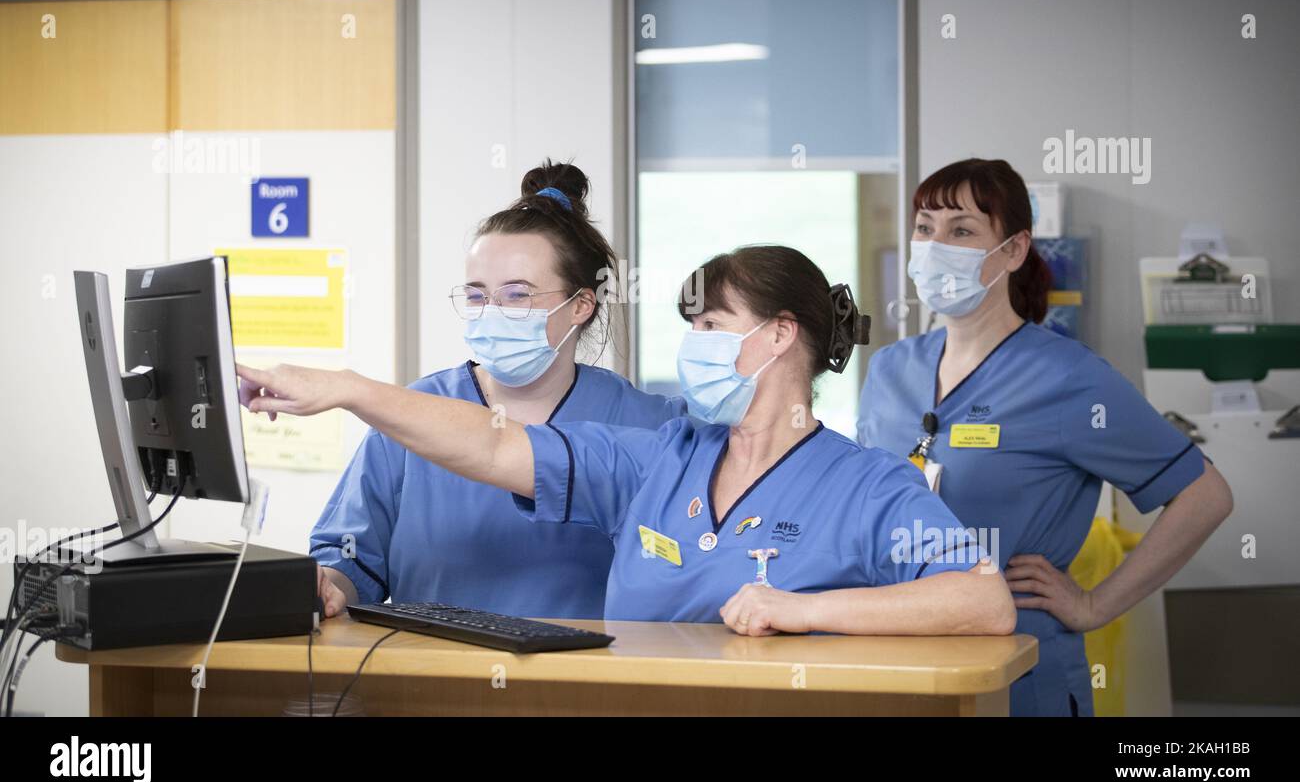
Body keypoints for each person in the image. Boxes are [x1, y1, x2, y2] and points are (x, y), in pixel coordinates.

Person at [238, 245, 1016, 638]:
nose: (695, 345)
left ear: (781, 335)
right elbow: (493, 444)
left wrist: (808, 610)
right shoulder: (659, 455)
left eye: (712, 326)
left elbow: (983, 599)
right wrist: (348, 388)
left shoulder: (868, 485)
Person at [856, 158, 1233, 715]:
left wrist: (1094, 606)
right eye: (924, 228)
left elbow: (1206, 496)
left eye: (961, 230)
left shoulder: (1068, 378)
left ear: (1012, 250)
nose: (936, 246)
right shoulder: (888, 371)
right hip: (896, 660)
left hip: (1019, 674)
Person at [275, 161, 685, 620]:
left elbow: (689, 567)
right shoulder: (411, 416)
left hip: (584, 682)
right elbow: (351, 561)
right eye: (475, 295)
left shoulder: (649, 423)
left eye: (516, 295)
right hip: (429, 676)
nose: (491, 312)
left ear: (581, 306)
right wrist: (329, 587)